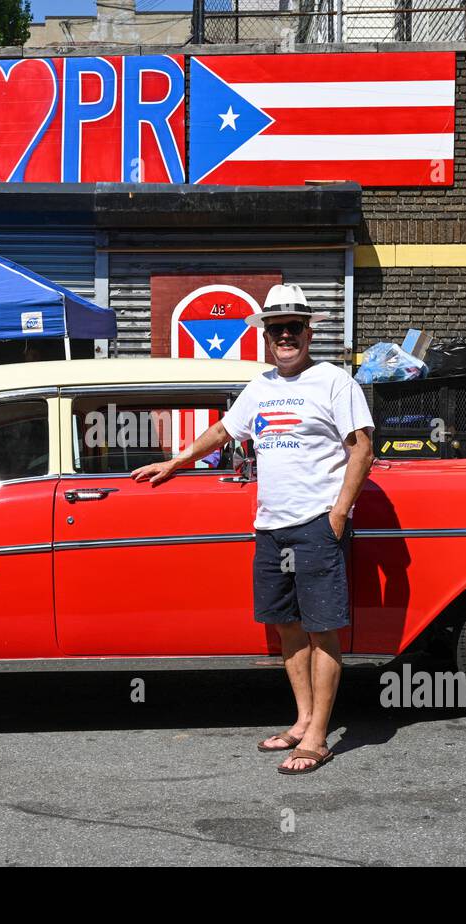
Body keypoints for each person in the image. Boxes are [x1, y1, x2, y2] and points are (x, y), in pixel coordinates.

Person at [131, 284, 375, 774]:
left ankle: (320, 737)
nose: (285, 336)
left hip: (315, 523)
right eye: (276, 329)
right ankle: (302, 720)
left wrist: (339, 514)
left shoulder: (334, 381)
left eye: (294, 327)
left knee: (323, 630)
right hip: (270, 526)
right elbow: (225, 431)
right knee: (286, 626)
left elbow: (362, 448)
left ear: (310, 332)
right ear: (266, 336)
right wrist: (177, 461)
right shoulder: (260, 386)